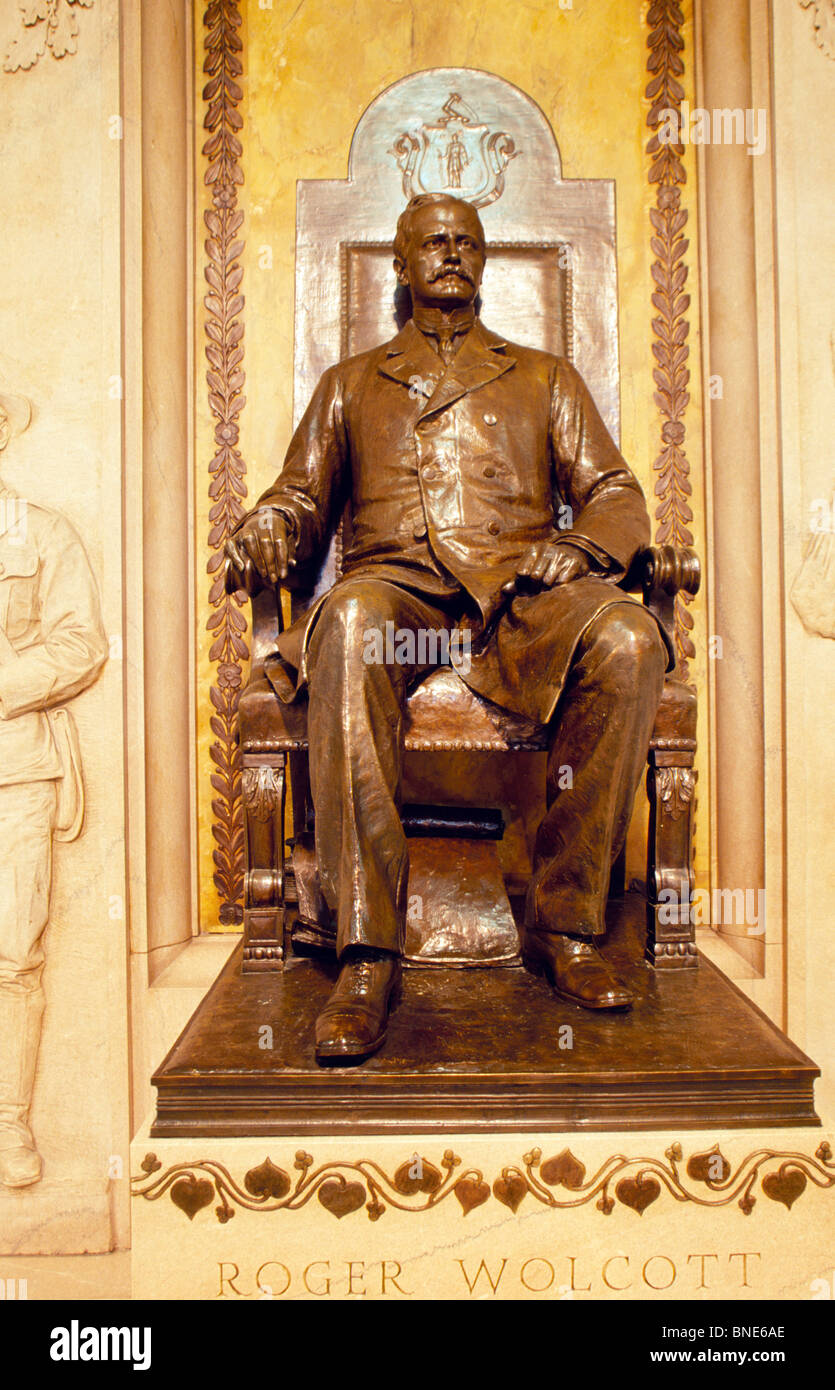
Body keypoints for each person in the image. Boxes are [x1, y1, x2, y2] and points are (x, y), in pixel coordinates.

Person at [227, 193, 671, 1064]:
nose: (450, 254)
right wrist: (270, 524)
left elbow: (615, 492)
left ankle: (565, 927)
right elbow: (298, 498)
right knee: (349, 623)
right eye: (431, 242)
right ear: (400, 265)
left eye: (466, 242)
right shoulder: (350, 384)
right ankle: (367, 952)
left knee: (629, 641)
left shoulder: (542, 376)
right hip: (400, 587)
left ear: (482, 260)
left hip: (523, 598)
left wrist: (579, 546)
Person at [0, 389, 107, 1186]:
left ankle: (8, 1125)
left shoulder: (41, 535)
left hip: (15, 768)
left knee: (12, 957)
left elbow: (82, 645)